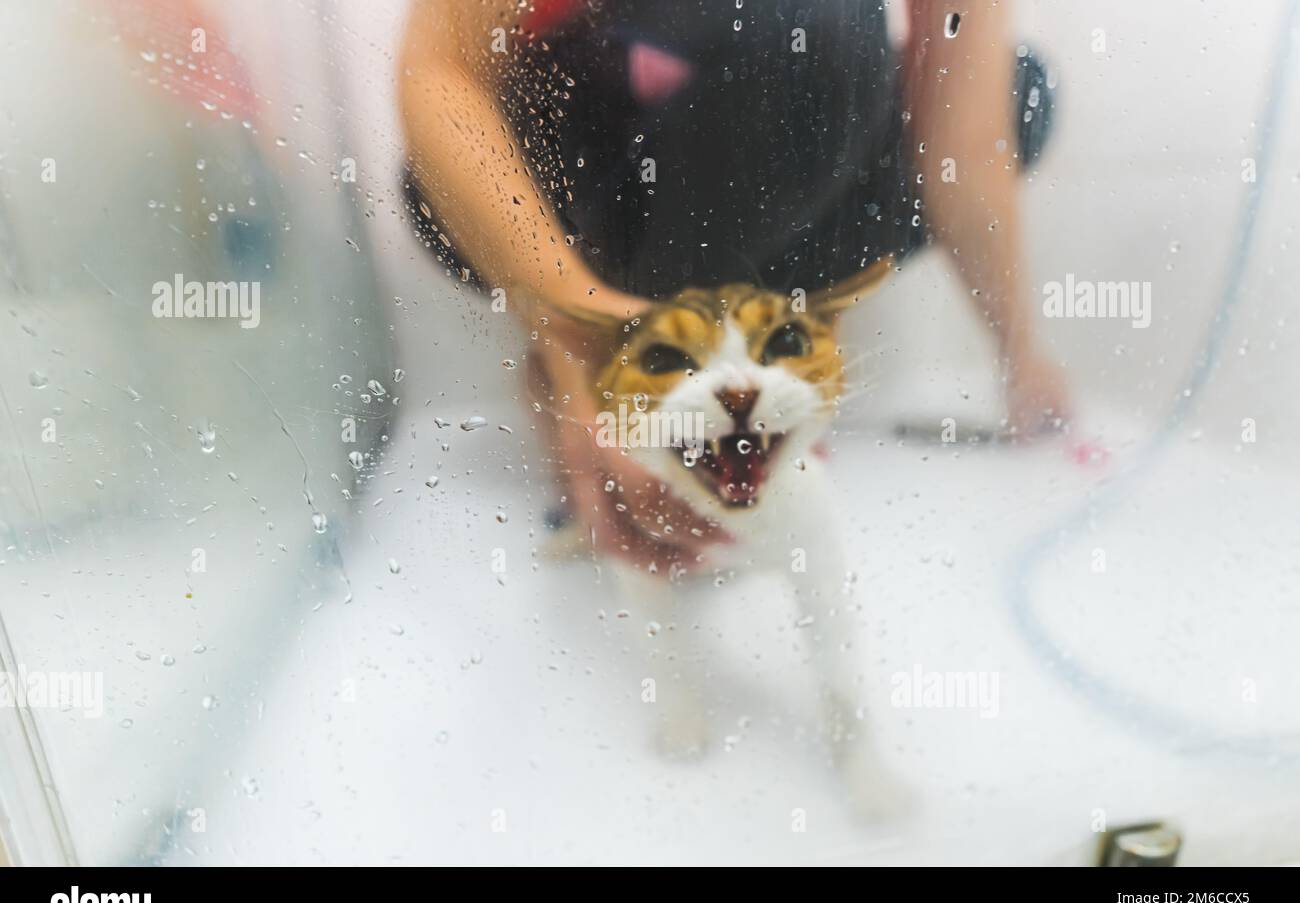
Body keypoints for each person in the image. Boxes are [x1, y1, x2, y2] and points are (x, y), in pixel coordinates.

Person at [399, 0, 1070, 569]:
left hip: (768, 133)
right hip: (588, 153)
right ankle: (654, 348)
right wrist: (577, 334)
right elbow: (443, 72)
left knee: (1014, 92)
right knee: (806, 26)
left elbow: (968, 143)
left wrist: (1019, 351)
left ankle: (744, 334)